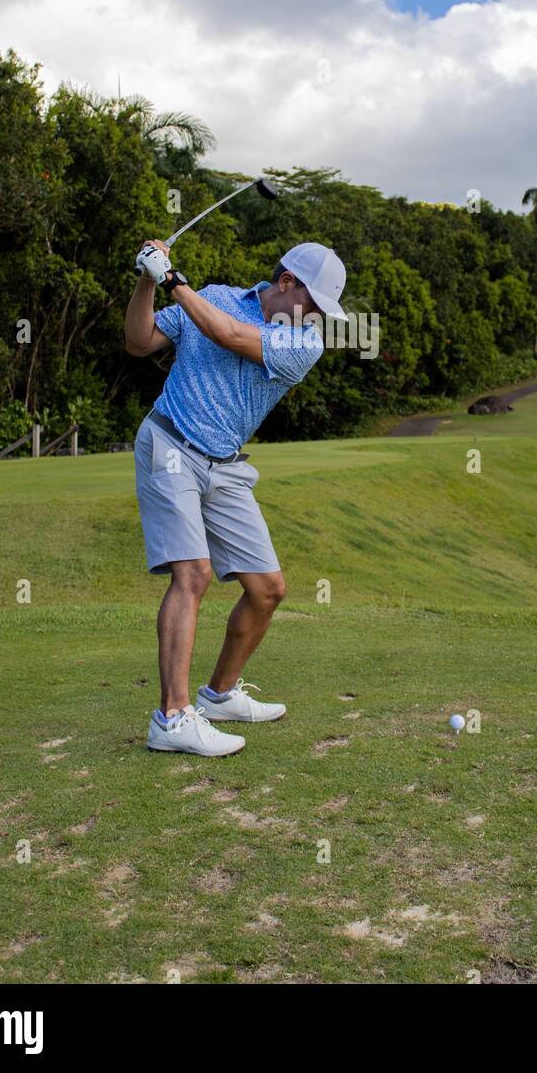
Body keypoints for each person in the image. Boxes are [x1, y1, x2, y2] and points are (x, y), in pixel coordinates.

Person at [125, 238, 347, 756]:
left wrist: (172, 279)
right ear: (287, 282)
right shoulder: (217, 295)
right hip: (170, 443)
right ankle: (173, 718)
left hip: (224, 465)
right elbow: (139, 342)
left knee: (268, 588)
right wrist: (145, 279)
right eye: (313, 305)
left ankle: (219, 695)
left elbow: (225, 335)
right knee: (194, 574)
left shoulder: (303, 344)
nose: (315, 317)